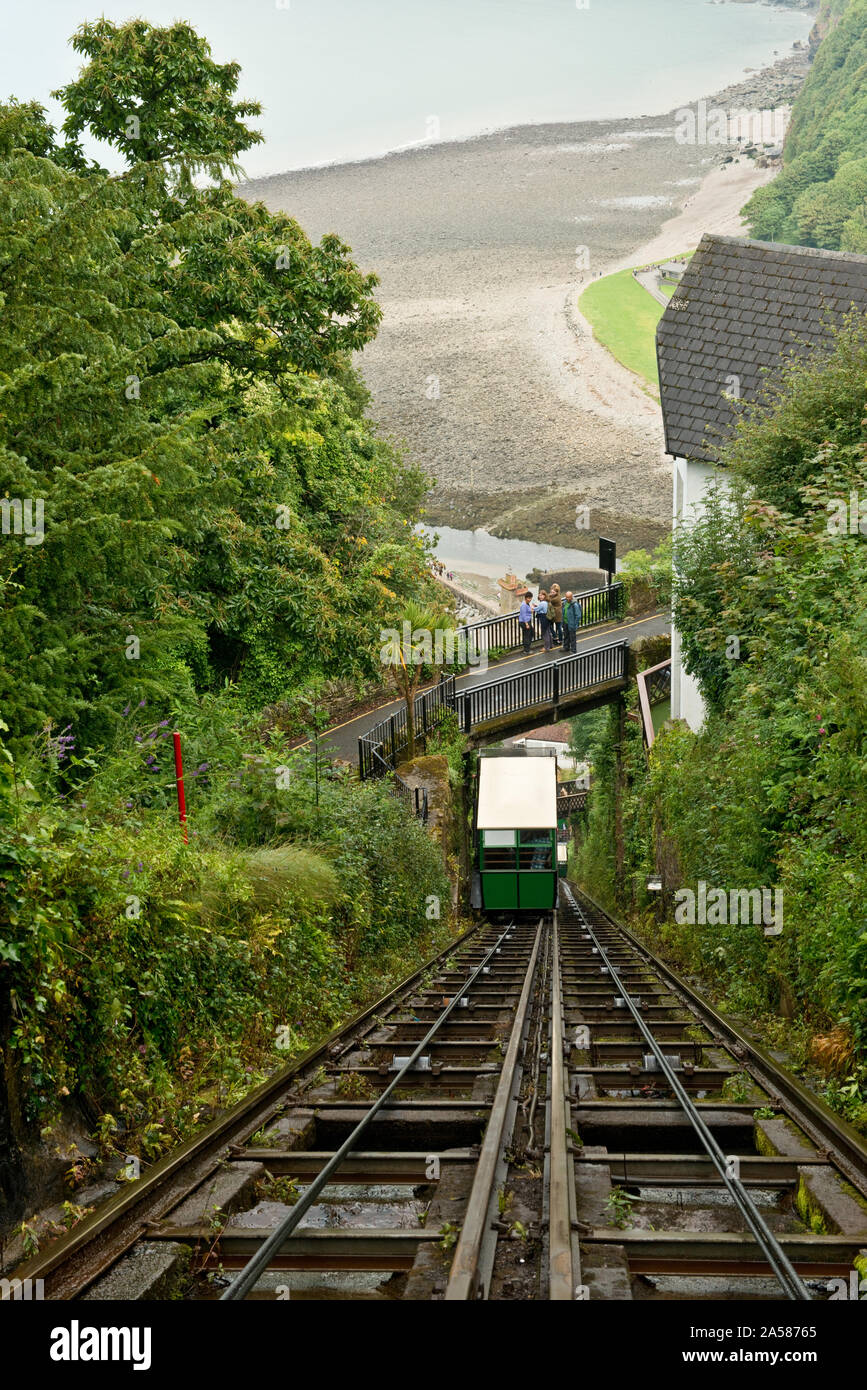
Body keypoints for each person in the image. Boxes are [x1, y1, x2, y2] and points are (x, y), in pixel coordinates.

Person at [519, 590, 534, 654]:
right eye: (528, 598)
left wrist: (532, 609)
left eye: (530, 598)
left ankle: (527, 648)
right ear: (526, 598)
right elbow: (523, 615)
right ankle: (526, 650)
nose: (530, 599)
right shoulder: (523, 605)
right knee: (527, 635)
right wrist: (526, 624)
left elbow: (528, 611)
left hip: (527, 621)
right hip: (524, 622)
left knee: (530, 633)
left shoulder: (527, 603)